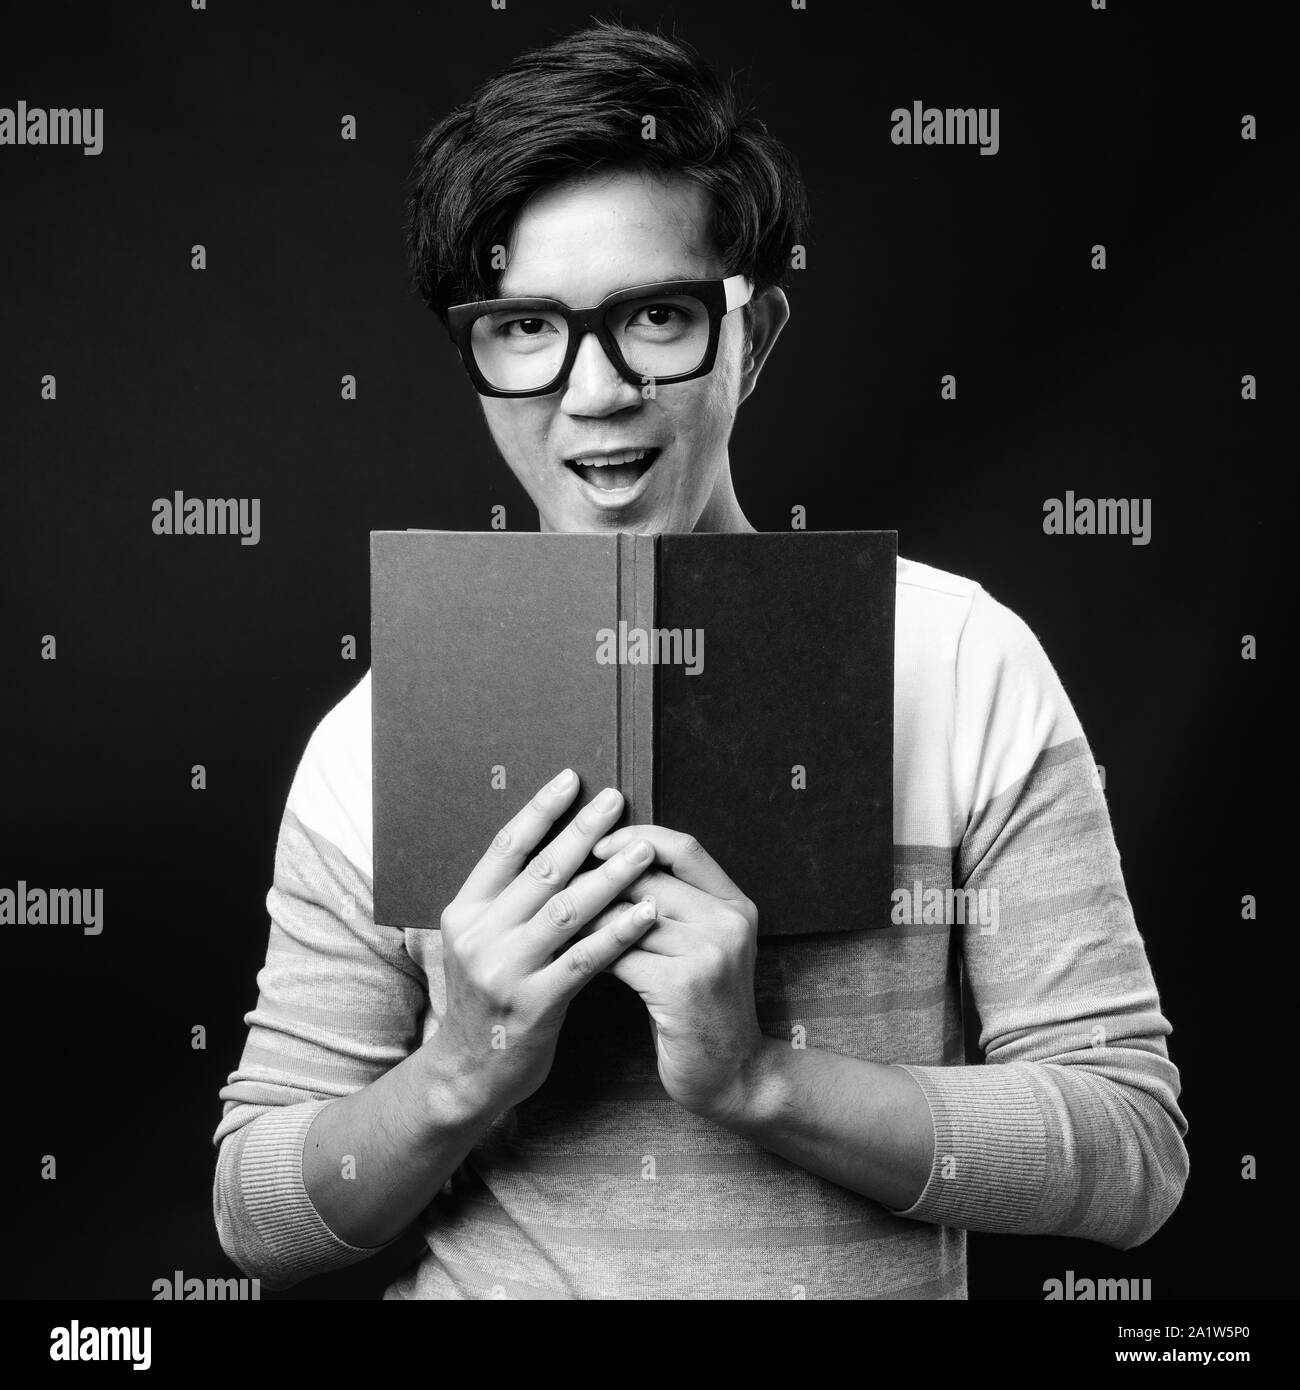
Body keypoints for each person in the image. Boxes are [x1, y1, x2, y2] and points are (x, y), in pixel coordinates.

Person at [212, 21, 1188, 1299]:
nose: (595, 390)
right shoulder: (377, 730)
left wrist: (761, 1079)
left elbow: (1133, 1154)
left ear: (754, 333)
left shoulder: (960, 660)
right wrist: (457, 1069)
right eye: (524, 329)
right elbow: (256, 1214)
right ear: (476, 356)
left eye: (657, 315)